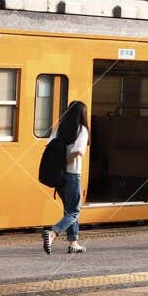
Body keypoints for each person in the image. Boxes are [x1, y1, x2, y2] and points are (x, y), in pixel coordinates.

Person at [42, 101, 89, 254]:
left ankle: (73, 243)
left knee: (68, 210)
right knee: (75, 211)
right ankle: (53, 233)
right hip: (72, 175)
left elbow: (48, 146)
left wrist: (60, 164)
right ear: (83, 114)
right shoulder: (81, 130)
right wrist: (67, 161)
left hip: (59, 176)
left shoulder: (59, 128)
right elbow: (78, 152)